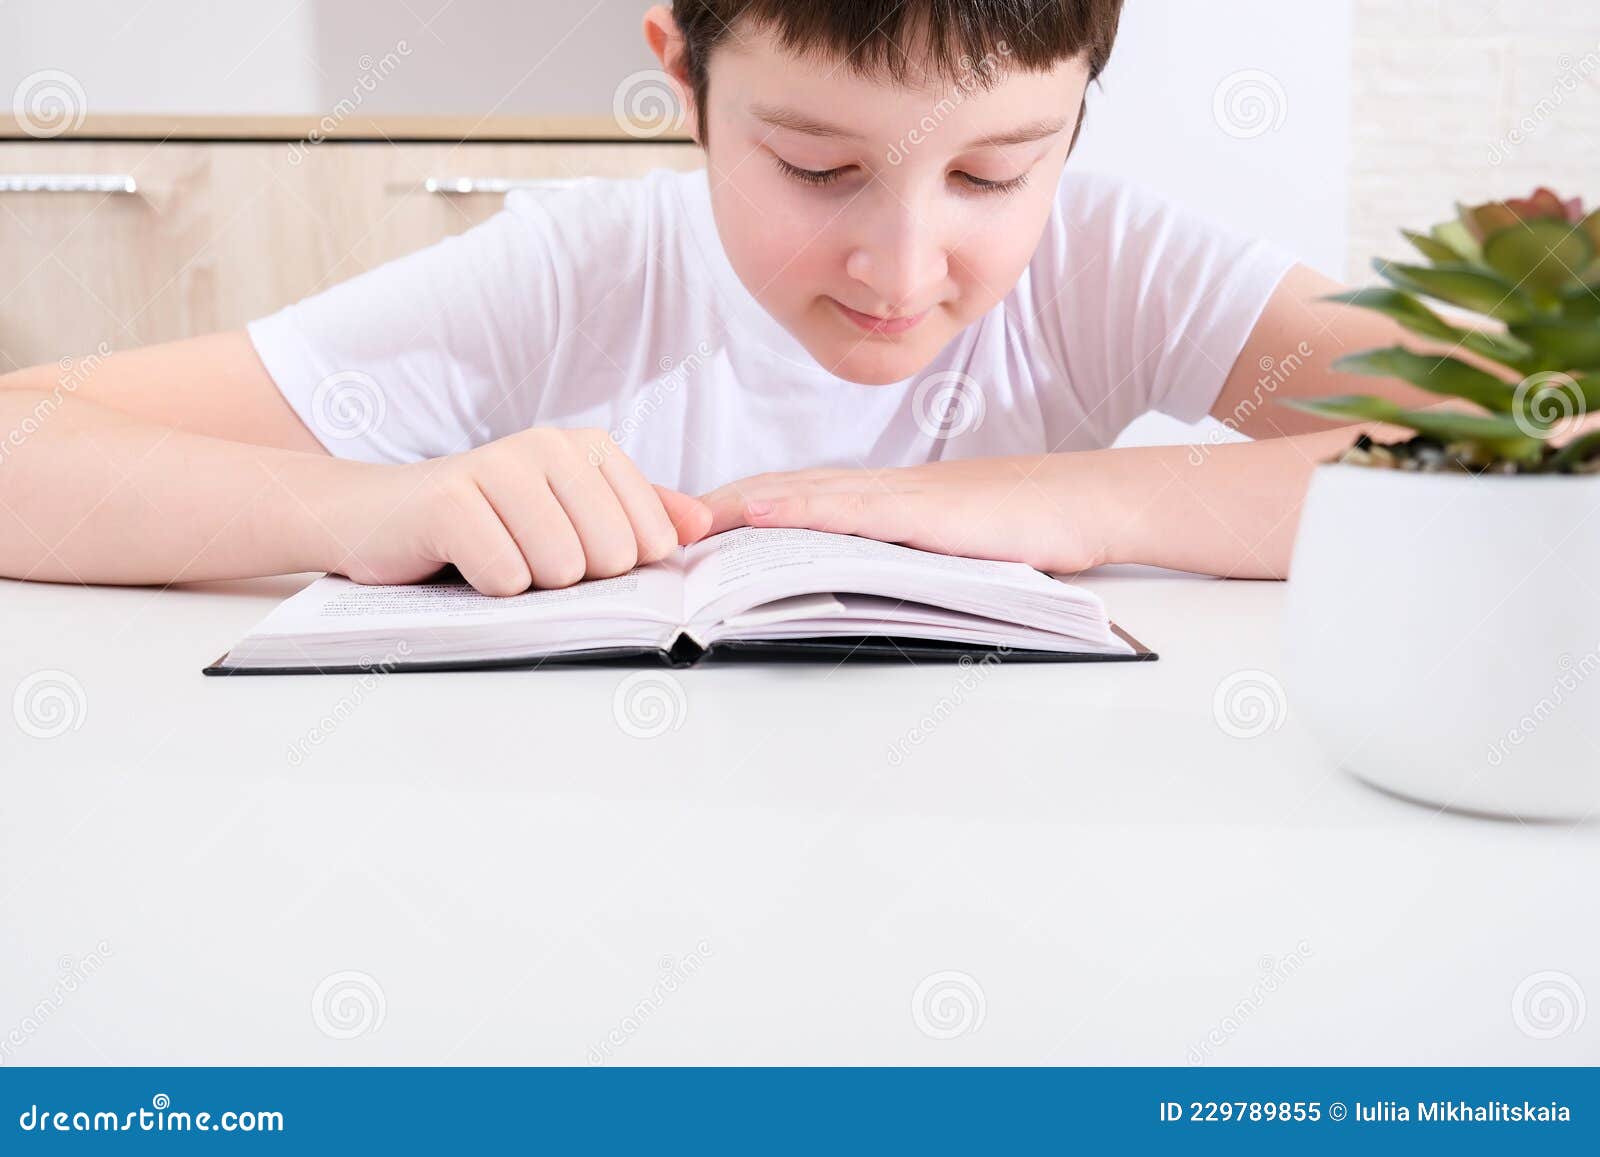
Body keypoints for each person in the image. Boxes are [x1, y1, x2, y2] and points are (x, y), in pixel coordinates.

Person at [0, 1, 1458, 596]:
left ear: (1080, 110)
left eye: (997, 172)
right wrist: (373, 507)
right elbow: (26, 444)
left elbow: (1548, 423)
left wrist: (1084, 498)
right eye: (818, 169)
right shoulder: (575, 279)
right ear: (682, 77)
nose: (899, 269)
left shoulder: (1113, 269)